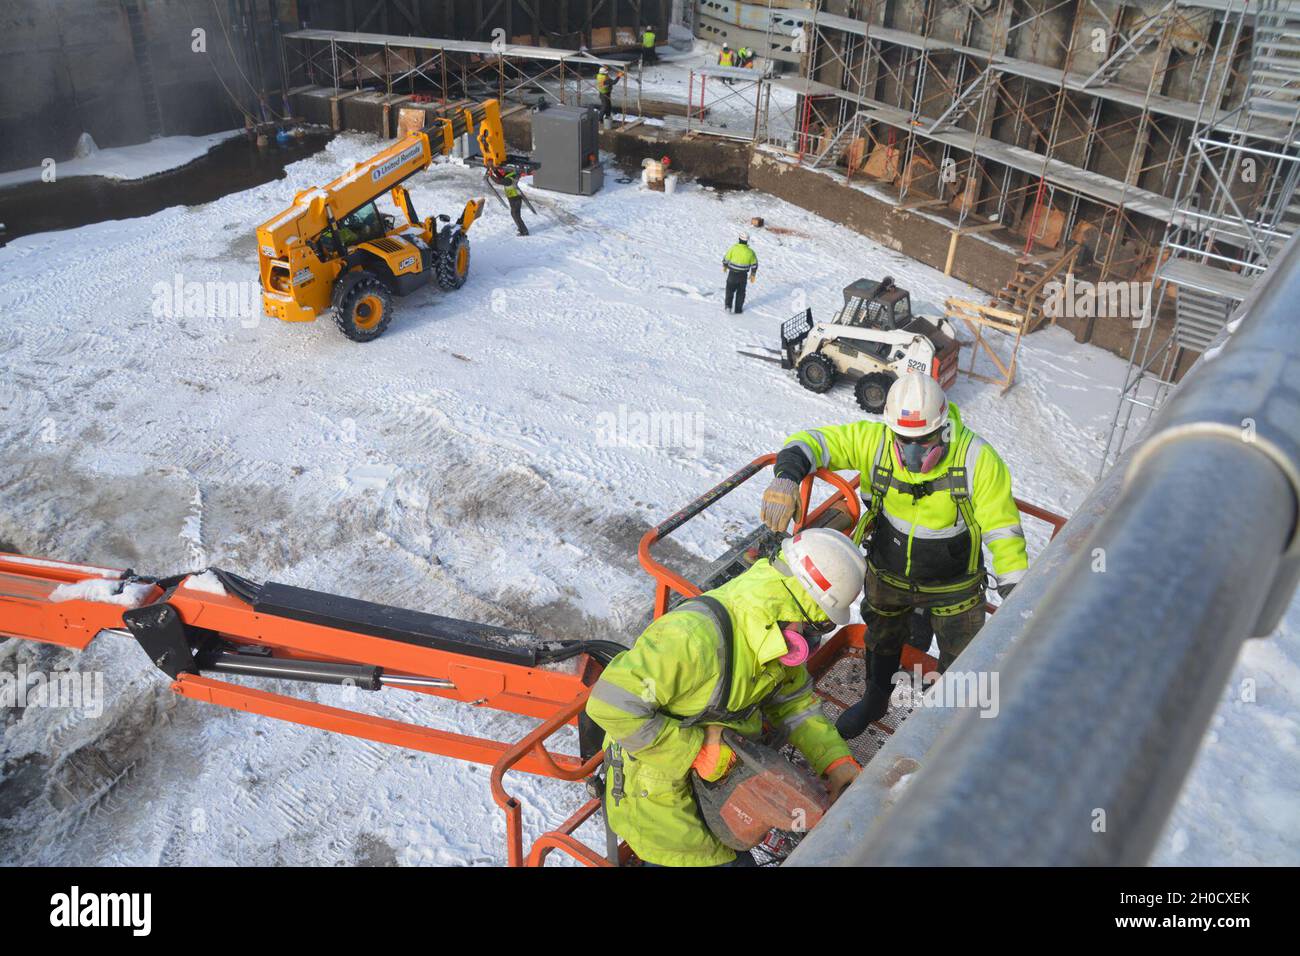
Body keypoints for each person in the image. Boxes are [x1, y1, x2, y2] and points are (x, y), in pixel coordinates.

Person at [759, 373, 1028, 739]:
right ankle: (876, 699)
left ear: (944, 426)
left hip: (955, 588)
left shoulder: (977, 459)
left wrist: (1016, 586)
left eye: (924, 440)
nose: (913, 452)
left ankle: (939, 726)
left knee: (962, 660)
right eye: (905, 440)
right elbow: (814, 442)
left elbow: (1003, 528)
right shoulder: (875, 443)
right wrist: (787, 477)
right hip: (889, 577)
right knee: (881, 639)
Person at [585, 529, 866, 867]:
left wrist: (835, 762)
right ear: (792, 603)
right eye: (815, 627)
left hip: (720, 793)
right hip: (663, 810)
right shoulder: (692, 639)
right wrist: (696, 750)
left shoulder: (773, 636)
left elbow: (795, 705)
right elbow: (611, 704)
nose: (810, 640)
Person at [722, 231, 758, 314]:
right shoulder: (751, 252)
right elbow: (754, 265)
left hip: (732, 274)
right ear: (747, 241)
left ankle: (728, 307)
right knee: (741, 293)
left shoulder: (733, 248)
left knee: (729, 290)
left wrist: (725, 266)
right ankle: (738, 310)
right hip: (743, 276)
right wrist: (753, 274)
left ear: (739, 239)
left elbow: (726, 260)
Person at [490, 165, 528, 236]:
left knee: (515, 215)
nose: (504, 170)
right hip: (513, 198)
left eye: (506, 169)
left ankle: (524, 231)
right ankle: (521, 228)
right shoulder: (511, 175)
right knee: (515, 214)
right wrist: (494, 170)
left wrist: (491, 176)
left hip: (515, 199)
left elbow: (499, 181)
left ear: (510, 170)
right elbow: (501, 177)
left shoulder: (510, 179)